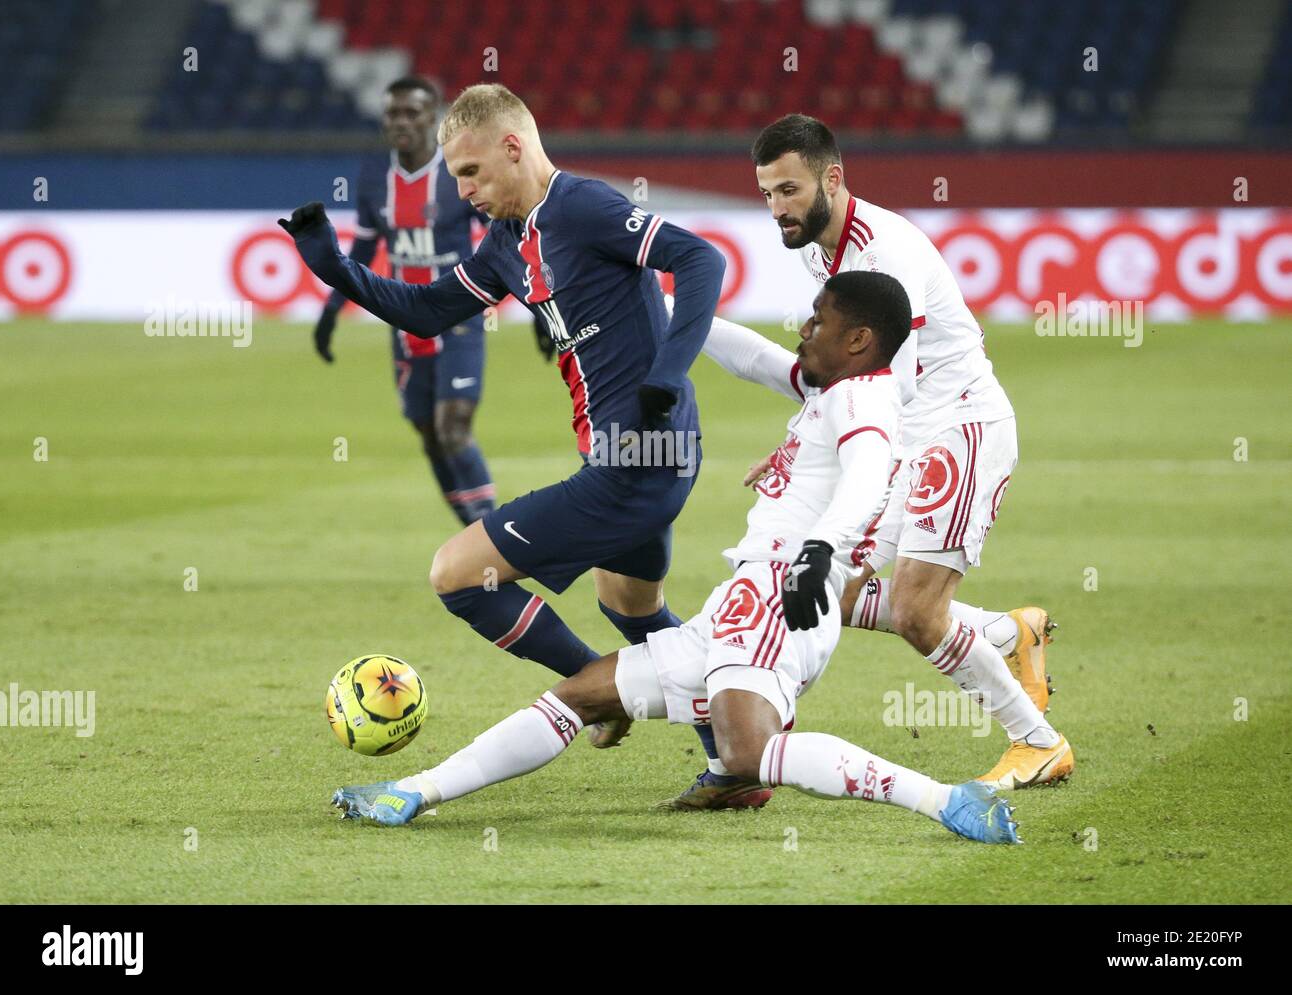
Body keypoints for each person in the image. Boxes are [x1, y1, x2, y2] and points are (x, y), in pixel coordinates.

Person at [330, 272, 1020, 847]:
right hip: (740, 605)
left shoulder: (863, 400)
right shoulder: (837, 390)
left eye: (817, 320)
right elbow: (744, 353)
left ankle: (948, 800)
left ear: (859, 340)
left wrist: (819, 548)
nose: (803, 329)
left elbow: (869, 471)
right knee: (580, 694)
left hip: (780, 599)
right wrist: (646, 308)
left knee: (746, 753)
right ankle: (412, 793)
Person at [662, 115, 1075, 810]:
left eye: (789, 189)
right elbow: (831, 374)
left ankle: (1037, 741)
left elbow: (895, 383)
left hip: (953, 427)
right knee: (837, 592)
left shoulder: (886, 253)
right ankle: (1006, 633)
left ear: (832, 178)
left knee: (915, 610)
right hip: (897, 433)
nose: (777, 208)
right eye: (766, 194)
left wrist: (812, 441)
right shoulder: (821, 250)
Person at [278, 84, 725, 691]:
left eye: (470, 172)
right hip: (633, 454)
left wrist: (667, 374)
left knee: (456, 574)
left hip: (635, 459)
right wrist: (338, 269)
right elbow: (429, 310)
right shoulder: (507, 242)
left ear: (512, 148)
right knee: (629, 607)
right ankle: (732, 745)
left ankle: (596, 690)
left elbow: (700, 259)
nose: (462, 191)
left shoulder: (582, 207)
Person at [311, 76, 500, 525]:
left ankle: (494, 538)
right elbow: (360, 251)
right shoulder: (376, 175)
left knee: (453, 430)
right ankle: (474, 532)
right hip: (404, 326)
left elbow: (503, 234)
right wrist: (330, 311)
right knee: (429, 435)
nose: (401, 121)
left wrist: (535, 302)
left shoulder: (459, 170)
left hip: (459, 319)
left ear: (433, 117)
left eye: (412, 112)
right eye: (393, 112)